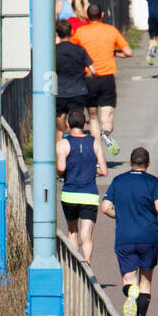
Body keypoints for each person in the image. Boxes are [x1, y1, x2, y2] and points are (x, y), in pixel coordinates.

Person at [101, 147, 158, 316]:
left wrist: (119, 215)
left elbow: (105, 207)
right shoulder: (155, 183)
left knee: (129, 280)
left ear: (130, 163)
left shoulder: (118, 181)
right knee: (146, 280)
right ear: (148, 163)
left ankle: (130, 291)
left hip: (125, 237)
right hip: (148, 236)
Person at [72, 4, 132, 155]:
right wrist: (114, 53)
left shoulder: (80, 32)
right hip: (107, 78)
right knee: (107, 117)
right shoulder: (110, 31)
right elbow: (128, 52)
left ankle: (98, 156)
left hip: (89, 78)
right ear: (102, 15)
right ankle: (106, 132)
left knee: (93, 117)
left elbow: (73, 52)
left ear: (87, 17)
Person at [56, 109, 108, 265]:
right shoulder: (94, 142)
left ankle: (75, 266)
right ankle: (87, 264)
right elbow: (104, 171)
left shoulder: (63, 144)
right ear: (85, 124)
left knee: (73, 231)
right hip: (89, 195)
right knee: (86, 235)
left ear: (67, 124)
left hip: (70, 194)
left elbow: (61, 168)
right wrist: (93, 168)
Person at [54, 20, 94, 136]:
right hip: (78, 91)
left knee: (60, 129)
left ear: (56, 34)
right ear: (71, 32)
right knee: (76, 126)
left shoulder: (53, 51)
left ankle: (60, 150)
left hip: (59, 92)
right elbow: (93, 71)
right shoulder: (79, 50)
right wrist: (83, 79)